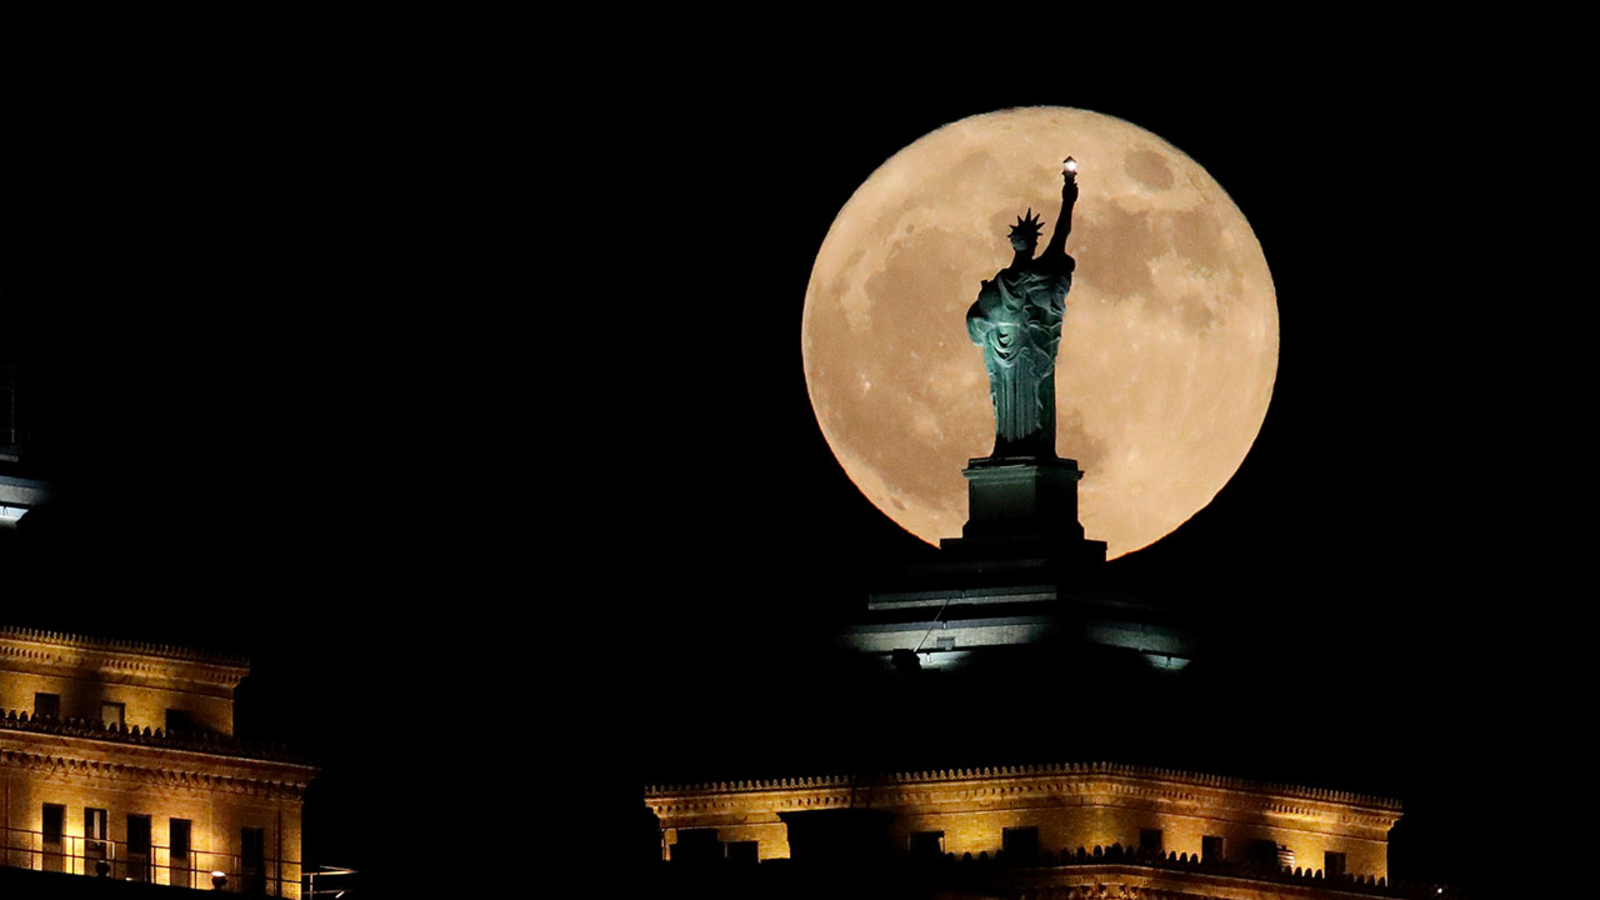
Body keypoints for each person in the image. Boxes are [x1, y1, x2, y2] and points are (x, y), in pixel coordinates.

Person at [966, 160, 1079, 459]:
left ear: (1026, 244)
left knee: (1029, 400)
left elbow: (1061, 234)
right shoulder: (1005, 278)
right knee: (1006, 404)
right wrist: (987, 320)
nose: (1021, 243)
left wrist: (1067, 200)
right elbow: (978, 319)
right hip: (1007, 354)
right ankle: (1008, 447)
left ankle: (1027, 446)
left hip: (1027, 349)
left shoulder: (1037, 272)